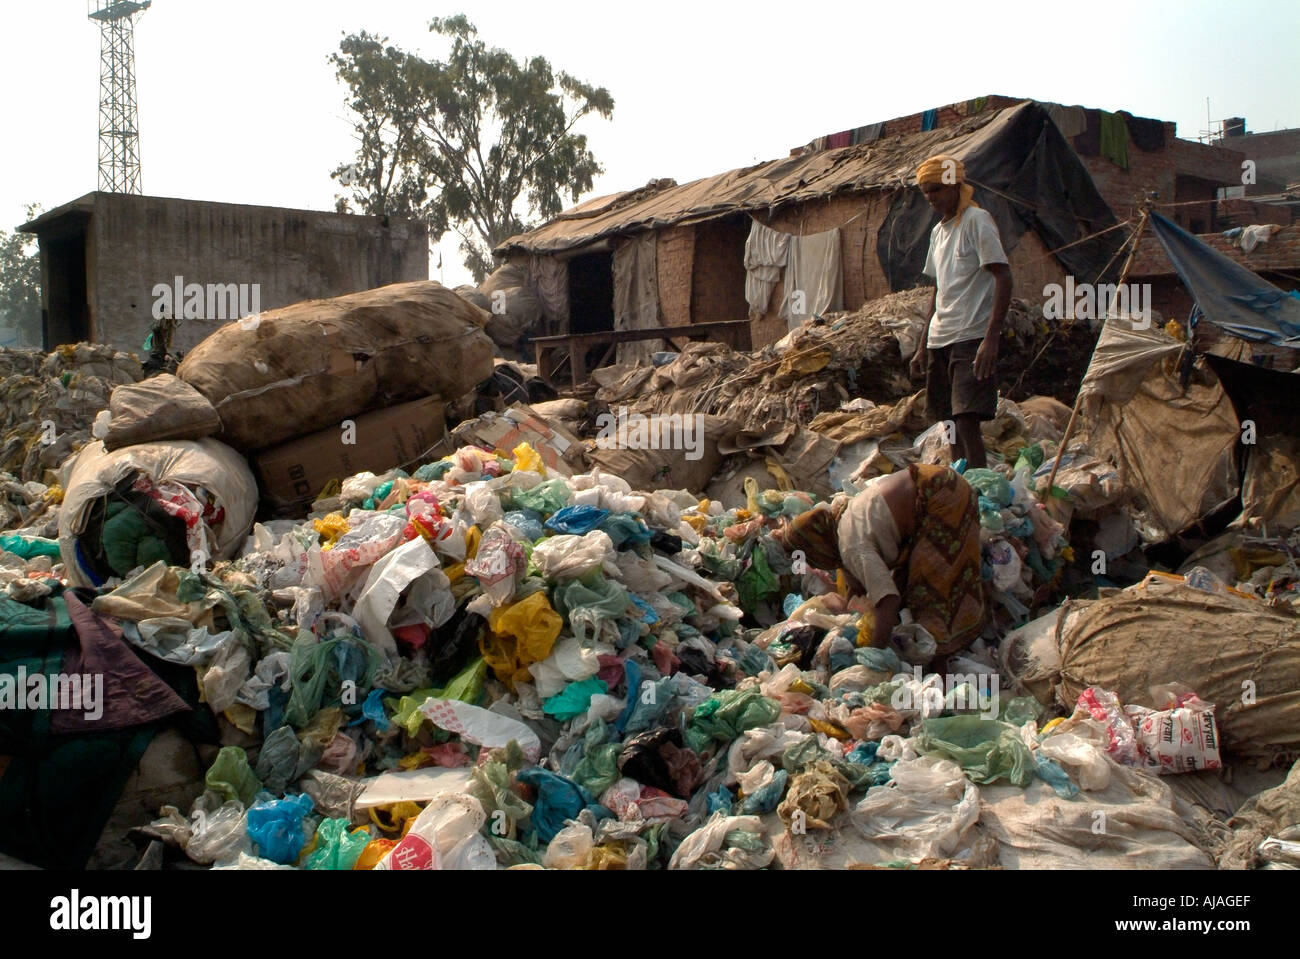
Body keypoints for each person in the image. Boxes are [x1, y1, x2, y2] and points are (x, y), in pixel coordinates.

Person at [774, 464, 986, 659]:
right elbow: (856, 583)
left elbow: (889, 601)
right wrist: (849, 615)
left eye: (811, 557)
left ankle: (942, 656)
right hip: (940, 482)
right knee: (913, 580)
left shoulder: (852, 546)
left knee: (931, 587)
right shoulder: (842, 524)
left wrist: (872, 654)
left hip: (940, 496)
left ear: (817, 548)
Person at [909, 154, 1012, 470]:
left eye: (937, 191)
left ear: (956, 186)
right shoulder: (939, 232)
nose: (932, 200)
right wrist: (922, 344)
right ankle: (960, 481)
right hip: (941, 338)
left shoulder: (977, 221)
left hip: (971, 335)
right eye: (927, 195)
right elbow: (938, 290)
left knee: (967, 419)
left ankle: (980, 486)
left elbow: (1003, 276)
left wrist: (991, 337)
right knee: (948, 421)